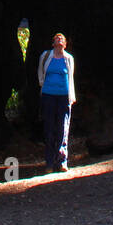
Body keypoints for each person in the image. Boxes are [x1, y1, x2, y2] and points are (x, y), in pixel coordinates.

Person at [38, 33, 75, 173]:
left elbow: (71, 77)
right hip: (48, 95)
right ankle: (49, 162)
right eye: (56, 39)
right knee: (49, 127)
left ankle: (61, 161)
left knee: (63, 127)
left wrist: (72, 96)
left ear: (65, 44)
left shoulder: (69, 59)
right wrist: (43, 84)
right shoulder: (46, 56)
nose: (59, 40)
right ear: (53, 43)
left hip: (64, 96)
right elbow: (40, 72)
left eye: (62, 39)